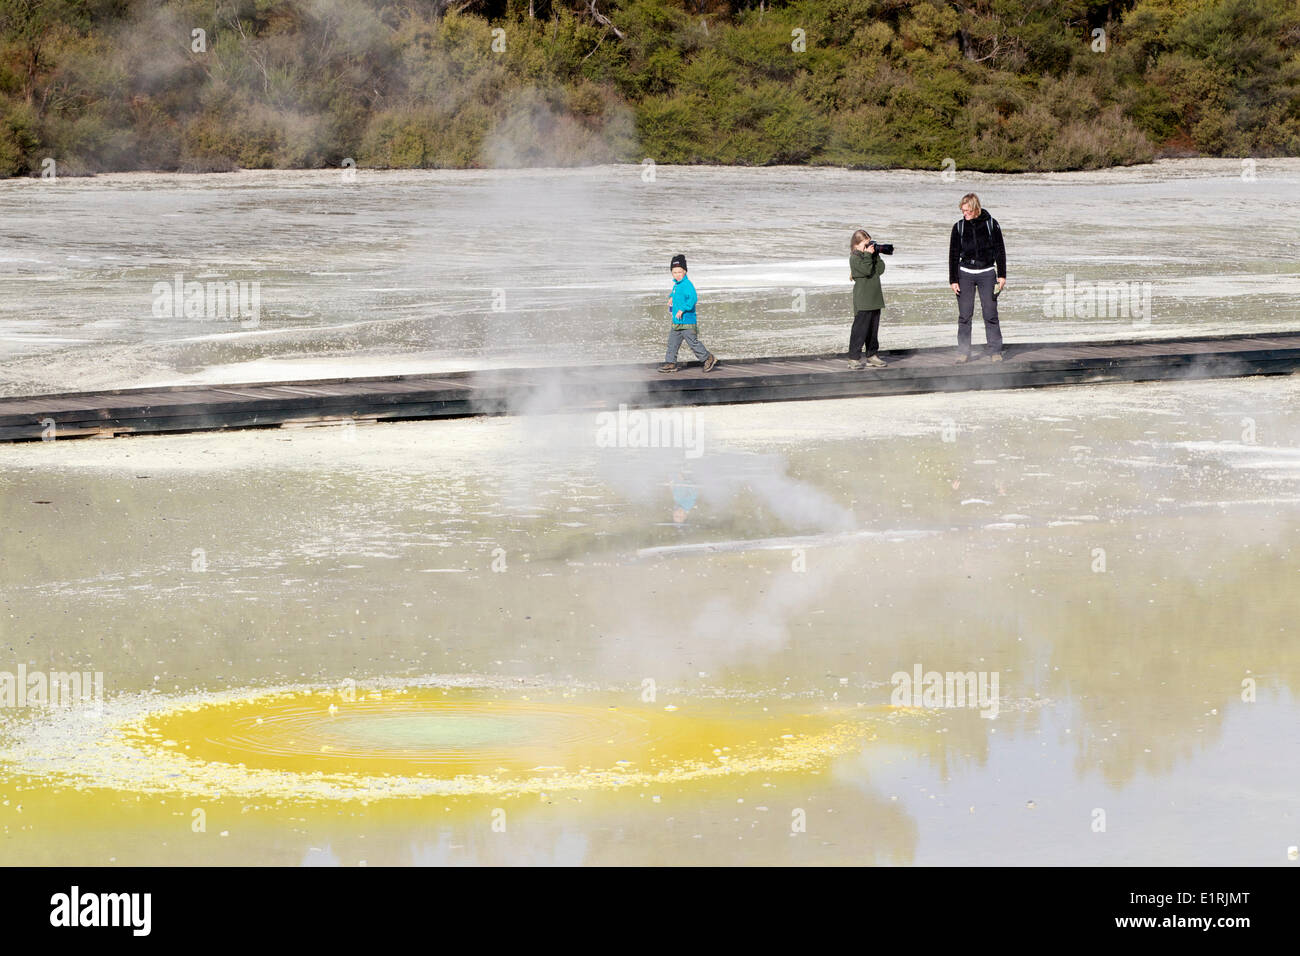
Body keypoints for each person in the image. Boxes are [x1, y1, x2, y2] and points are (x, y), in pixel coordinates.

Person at [948, 193, 1007, 363]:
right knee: (965, 315)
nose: (964, 213)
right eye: (962, 210)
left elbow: (1000, 251)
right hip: (964, 274)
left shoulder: (991, 224)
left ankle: (995, 351)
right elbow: (953, 255)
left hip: (987, 273)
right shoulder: (958, 227)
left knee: (990, 313)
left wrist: (1002, 275)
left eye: (966, 210)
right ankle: (963, 352)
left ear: (975, 209)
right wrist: (953, 280)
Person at [660, 254, 718, 373]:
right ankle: (671, 363)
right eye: (674, 272)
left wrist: (683, 309)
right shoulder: (677, 284)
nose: (677, 275)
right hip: (677, 321)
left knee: (693, 343)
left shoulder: (687, 285)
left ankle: (708, 358)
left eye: (679, 272)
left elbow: (692, 299)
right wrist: (671, 297)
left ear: (685, 272)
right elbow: (675, 293)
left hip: (687, 320)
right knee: (672, 343)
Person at [848, 229, 887, 369]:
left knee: (873, 330)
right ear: (857, 244)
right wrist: (867, 255)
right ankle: (853, 358)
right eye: (866, 244)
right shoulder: (855, 257)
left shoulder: (868, 256)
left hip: (875, 297)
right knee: (860, 331)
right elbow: (865, 270)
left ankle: (872, 355)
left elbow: (880, 270)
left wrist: (876, 255)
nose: (869, 246)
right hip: (863, 299)